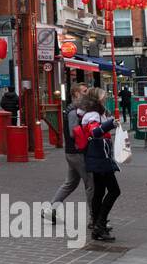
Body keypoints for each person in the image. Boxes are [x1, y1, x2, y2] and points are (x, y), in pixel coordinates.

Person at [45, 87, 94, 224]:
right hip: (77, 152)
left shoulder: (75, 110)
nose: (87, 93)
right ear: (76, 93)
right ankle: (94, 217)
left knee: (70, 183)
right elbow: (73, 133)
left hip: (72, 152)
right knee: (91, 184)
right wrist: (89, 132)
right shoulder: (73, 112)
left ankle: (50, 209)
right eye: (84, 91)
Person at [75, 105, 120, 242]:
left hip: (98, 157)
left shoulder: (96, 113)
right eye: (102, 96)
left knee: (99, 192)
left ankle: (97, 226)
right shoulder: (93, 115)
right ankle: (99, 224)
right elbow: (95, 132)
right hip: (100, 158)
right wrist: (110, 124)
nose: (105, 97)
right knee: (114, 190)